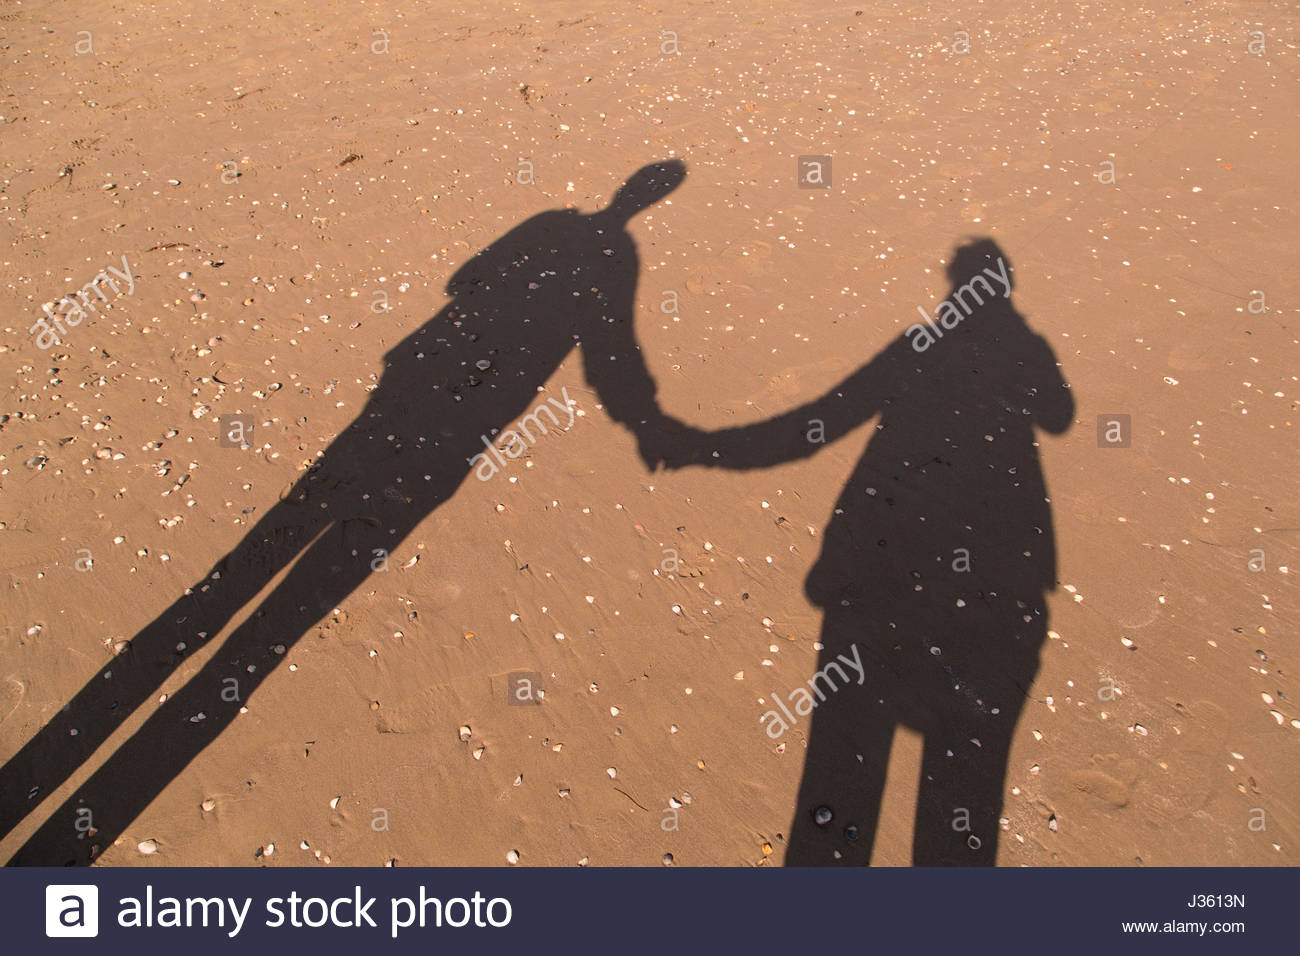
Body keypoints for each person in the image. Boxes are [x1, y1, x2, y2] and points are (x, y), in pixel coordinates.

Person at [663, 239, 1074, 864]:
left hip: (880, 576)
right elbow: (1061, 415)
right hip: (1003, 582)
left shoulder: (918, 346)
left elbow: (818, 425)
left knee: (845, 758)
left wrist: (703, 445)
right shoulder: (1018, 351)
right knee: (969, 783)